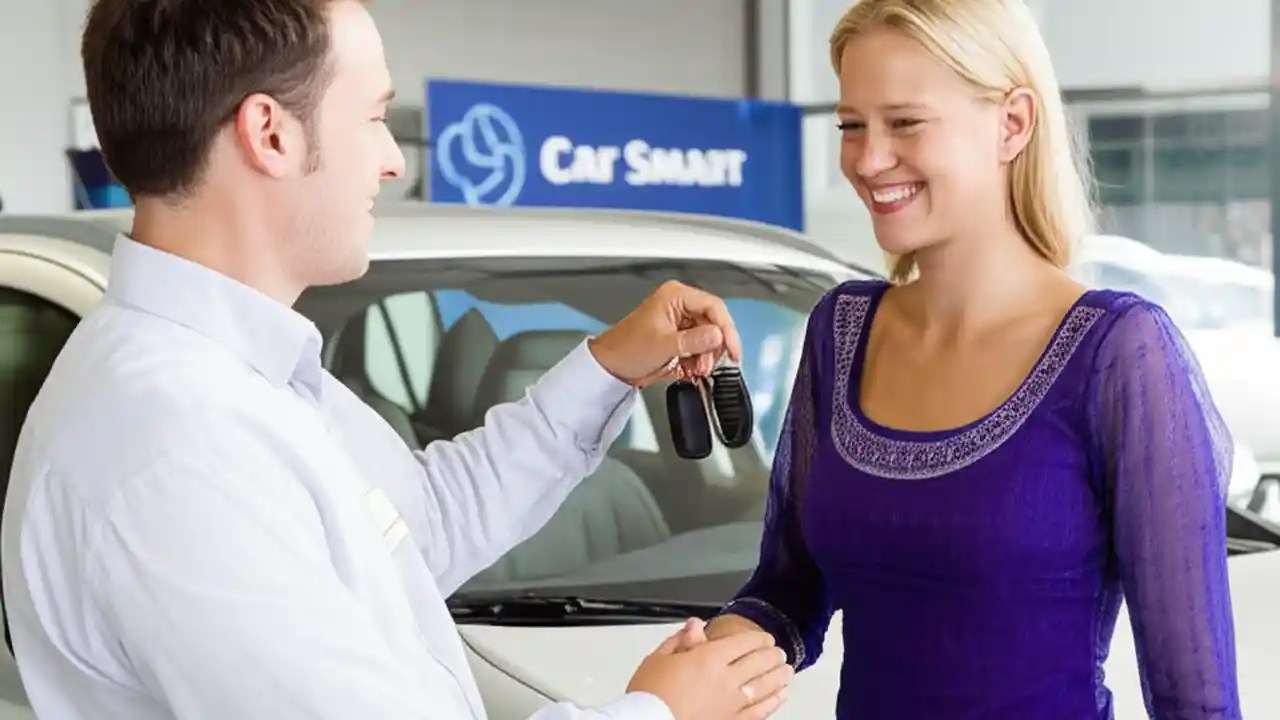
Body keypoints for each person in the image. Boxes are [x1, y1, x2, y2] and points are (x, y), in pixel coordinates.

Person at [0, 1, 794, 719]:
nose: (393, 161)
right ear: (269, 133)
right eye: (371, 118)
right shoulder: (175, 449)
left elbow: (419, 526)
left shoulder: (237, 376)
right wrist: (658, 714)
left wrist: (606, 371)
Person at [703, 1, 1242, 718]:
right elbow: (788, 587)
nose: (867, 160)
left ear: (1012, 123)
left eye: (905, 123)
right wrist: (706, 660)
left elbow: (1194, 698)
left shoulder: (1119, 353)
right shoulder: (843, 330)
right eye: (851, 126)